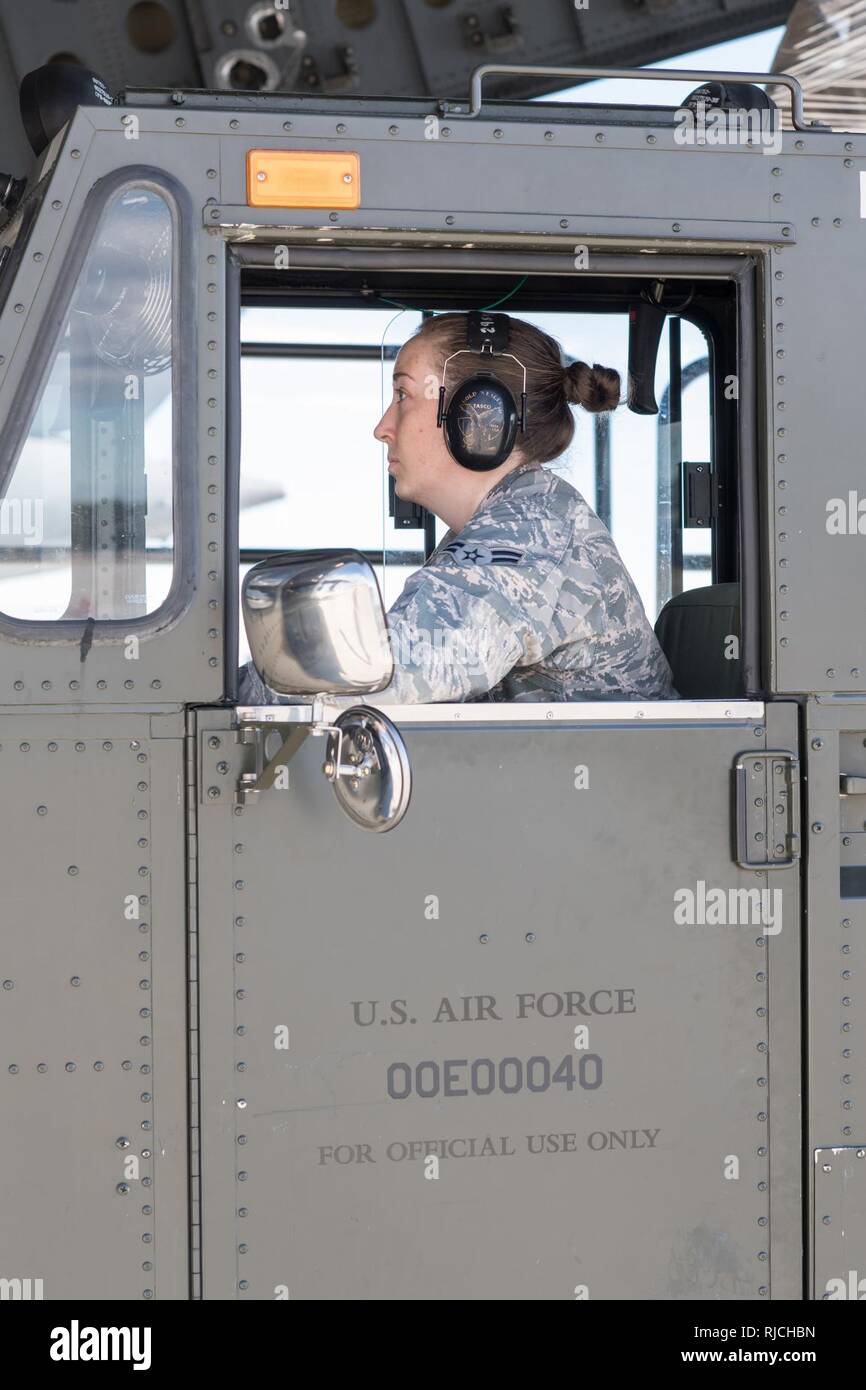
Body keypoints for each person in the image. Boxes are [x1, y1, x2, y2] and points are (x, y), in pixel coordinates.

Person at [238, 311, 676, 706]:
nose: (383, 428)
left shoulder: (533, 532)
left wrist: (213, 692)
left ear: (479, 415)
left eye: (404, 396)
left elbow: (378, 672)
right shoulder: (504, 523)